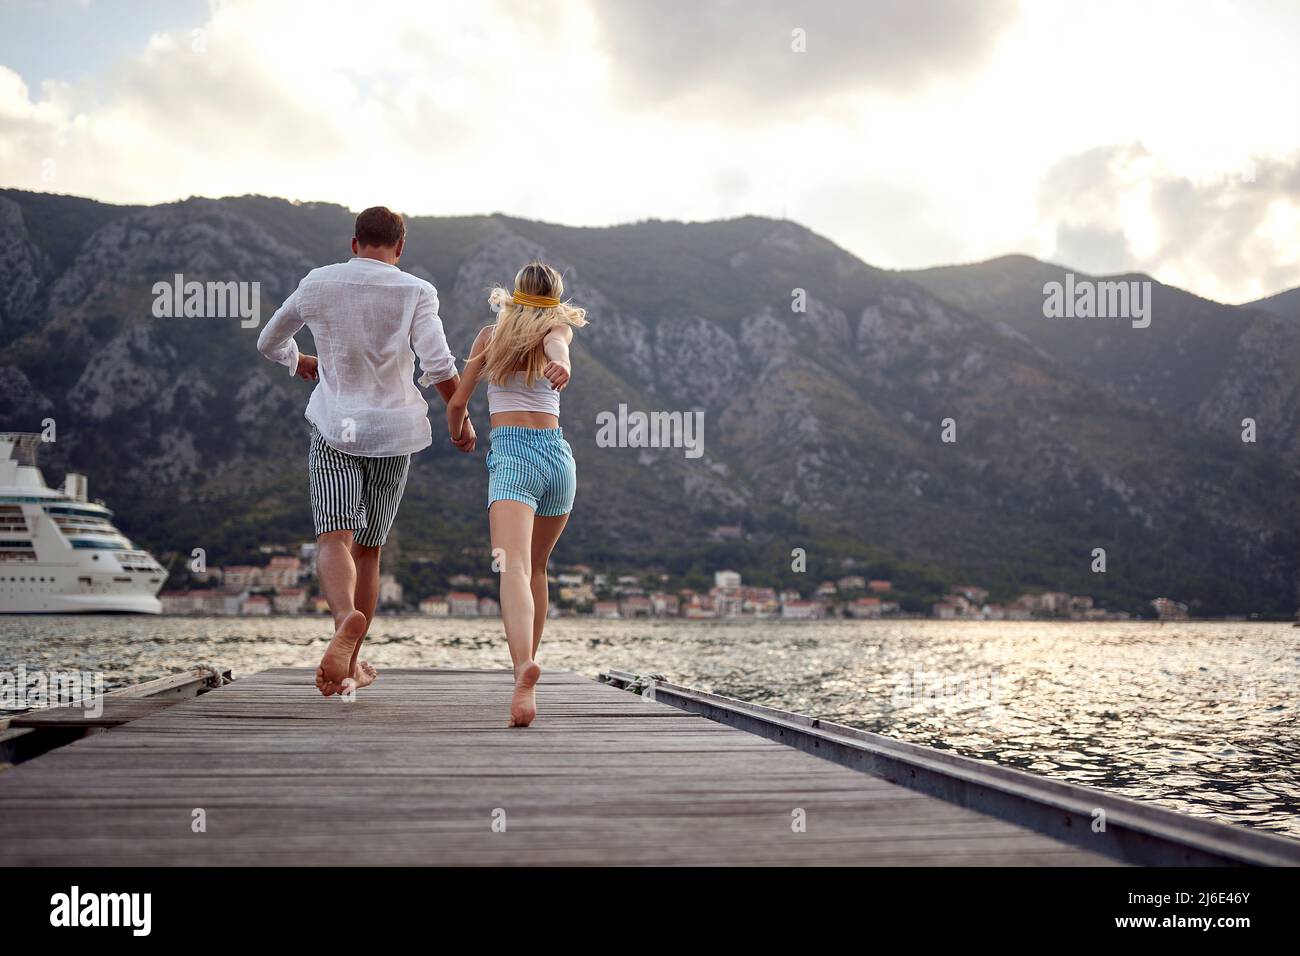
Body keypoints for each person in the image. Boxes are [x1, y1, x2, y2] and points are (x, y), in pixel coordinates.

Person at [256, 206, 475, 697]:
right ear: (399, 249)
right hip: (393, 434)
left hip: (336, 427)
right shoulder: (416, 290)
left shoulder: (317, 282)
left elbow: (269, 340)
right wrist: (459, 418)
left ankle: (342, 620)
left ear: (355, 243)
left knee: (334, 538)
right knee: (370, 548)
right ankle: (351, 661)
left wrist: (299, 360)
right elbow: (438, 363)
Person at [445, 262, 586, 726]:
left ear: (516, 294)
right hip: (558, 458)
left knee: (513, 566)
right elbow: (558, 346)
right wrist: (561, 365)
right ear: (555, 295)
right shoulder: (556, 327)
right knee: (538, 568)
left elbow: (457, 403)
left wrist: (461, 431)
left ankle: (522, 664)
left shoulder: (490, 337)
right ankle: (527, 667)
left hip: (513, 457)